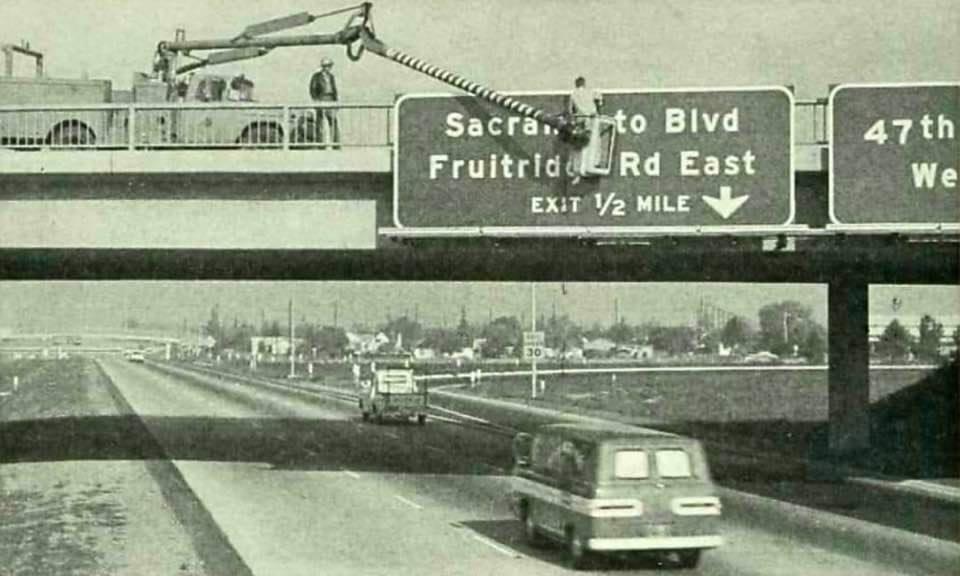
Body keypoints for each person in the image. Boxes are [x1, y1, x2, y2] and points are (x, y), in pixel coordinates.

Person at [566, 76, 604, 184]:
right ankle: (594, 165)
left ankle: (579, 172)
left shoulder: (573, 94)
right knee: (594, 143)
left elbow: (570, 111)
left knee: (579, 146)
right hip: (592, 119)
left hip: (580, 120)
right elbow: (599, 98)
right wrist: (598, 107)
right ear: (584, 84)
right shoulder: (590, 92)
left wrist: (573, 120)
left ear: (576, 84)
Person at [309, 57, 341, 148]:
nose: (328, 68)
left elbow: (334, 90)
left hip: (330, 98)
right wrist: (316, 100)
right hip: (321, 98)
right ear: (323, 67)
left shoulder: (331, 77)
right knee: (320, 123)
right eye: (326, 66)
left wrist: (336, 102)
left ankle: (336, 144)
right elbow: (312, 89)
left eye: (329, 66)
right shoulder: (316, 76)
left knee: (333, 122)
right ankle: (320, 144)